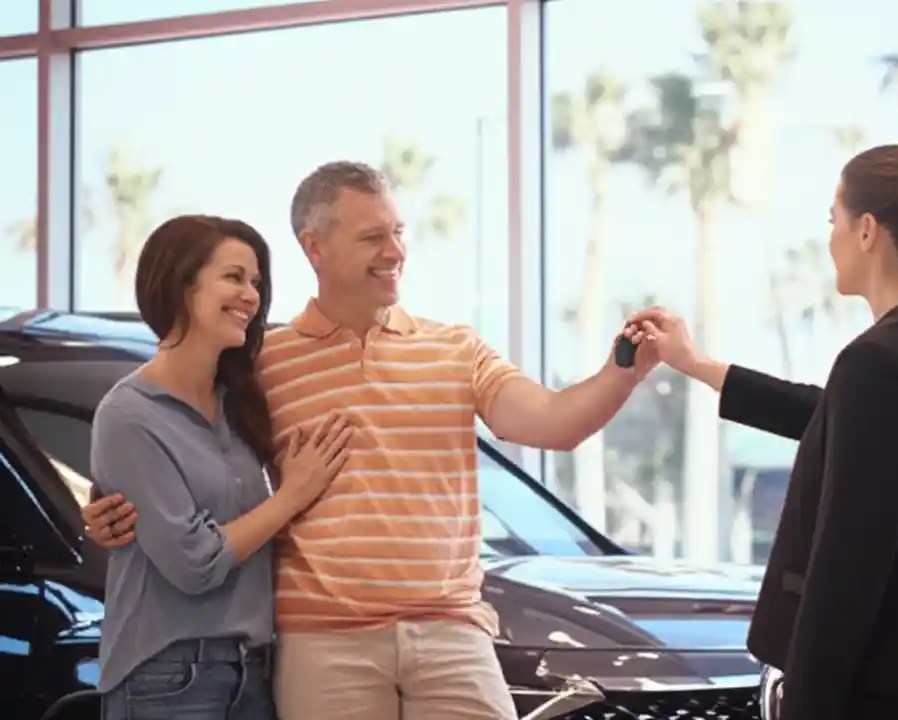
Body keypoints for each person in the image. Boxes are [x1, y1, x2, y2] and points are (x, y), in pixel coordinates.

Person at [83, 160, 659, 720]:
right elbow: (182, 454)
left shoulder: (455, 350)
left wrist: (621, 371)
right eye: (372, 236)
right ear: (315, 248)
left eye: (398, 232)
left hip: (451, 632)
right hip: (321, 644)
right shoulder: (258, 365)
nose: (395, 251)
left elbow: (553, 423)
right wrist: (111, 512)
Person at [631, 144, 898, 719]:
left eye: (835, 219)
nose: (829, 236)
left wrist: (806, 702)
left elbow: (847, 565)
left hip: (888, 689)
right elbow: (826, 415)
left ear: (867, 231)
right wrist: (695, 362)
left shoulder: (877, 363)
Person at [90, 214, 352, 720]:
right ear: (182, 284)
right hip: (167, 677)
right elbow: (196, 563)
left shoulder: (243, 403)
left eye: (256, 282)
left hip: (254, 672)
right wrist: (292, 496)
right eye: (234, 277)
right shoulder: (129, 415)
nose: (251, 295)